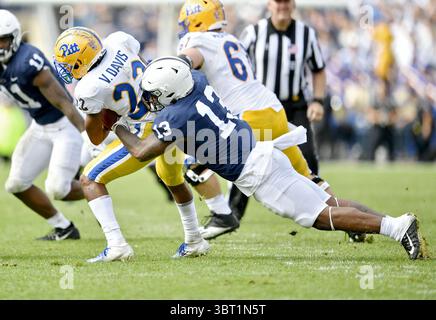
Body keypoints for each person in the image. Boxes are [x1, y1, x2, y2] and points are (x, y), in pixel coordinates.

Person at [110, 56, 426, 260]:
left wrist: (116, 124)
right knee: (330, 204)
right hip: (263, 152)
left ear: (170, 91)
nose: (151, 101)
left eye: (154, 94)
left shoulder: (176, 115)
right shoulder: (197, 82)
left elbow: (140, 151)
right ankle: (394, 223)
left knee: (319, 216)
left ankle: (396, 227)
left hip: (259, 172)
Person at [176, 0, 381, 242]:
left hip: (248, 118)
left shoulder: (198, 41)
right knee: (311, 181)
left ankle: (223, 215)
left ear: (198, 20)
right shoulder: (232, 40)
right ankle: (372, 222)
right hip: (274, 110)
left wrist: (174, 65)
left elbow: (189, 59)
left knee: (193, 165)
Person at [53, 27, 209, 262]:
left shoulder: (90, 88)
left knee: (90, 178)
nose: (66, 69)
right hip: (170, 113)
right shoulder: (118, 40)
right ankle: (195, 240)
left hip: (145, 130)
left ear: (80, 61)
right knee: (172, 179)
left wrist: (111, 118)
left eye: (68, 64)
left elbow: (95, 137)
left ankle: (117, 246)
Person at [0, 10, 84, 240]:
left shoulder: (27, 62)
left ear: (14, 38)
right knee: (16, 184)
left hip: (64, 125)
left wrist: (86, 135)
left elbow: (63, 102)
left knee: (59, 189)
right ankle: (63, 227)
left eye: (2, 40)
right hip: (39, 127)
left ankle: (96, 187)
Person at [240, 0, 325, 175]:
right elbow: (236, 66)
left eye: (287, 1)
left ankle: (318, 199)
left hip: (295, 106)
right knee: (250, 161)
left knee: (307, 157)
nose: (283, 6)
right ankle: (234, 203)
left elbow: (318, 69)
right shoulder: (254, 32)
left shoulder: (306, 34)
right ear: (269, 4)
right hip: (262, 108)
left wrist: (317, 101)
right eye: (278, 1)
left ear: (293, 4)